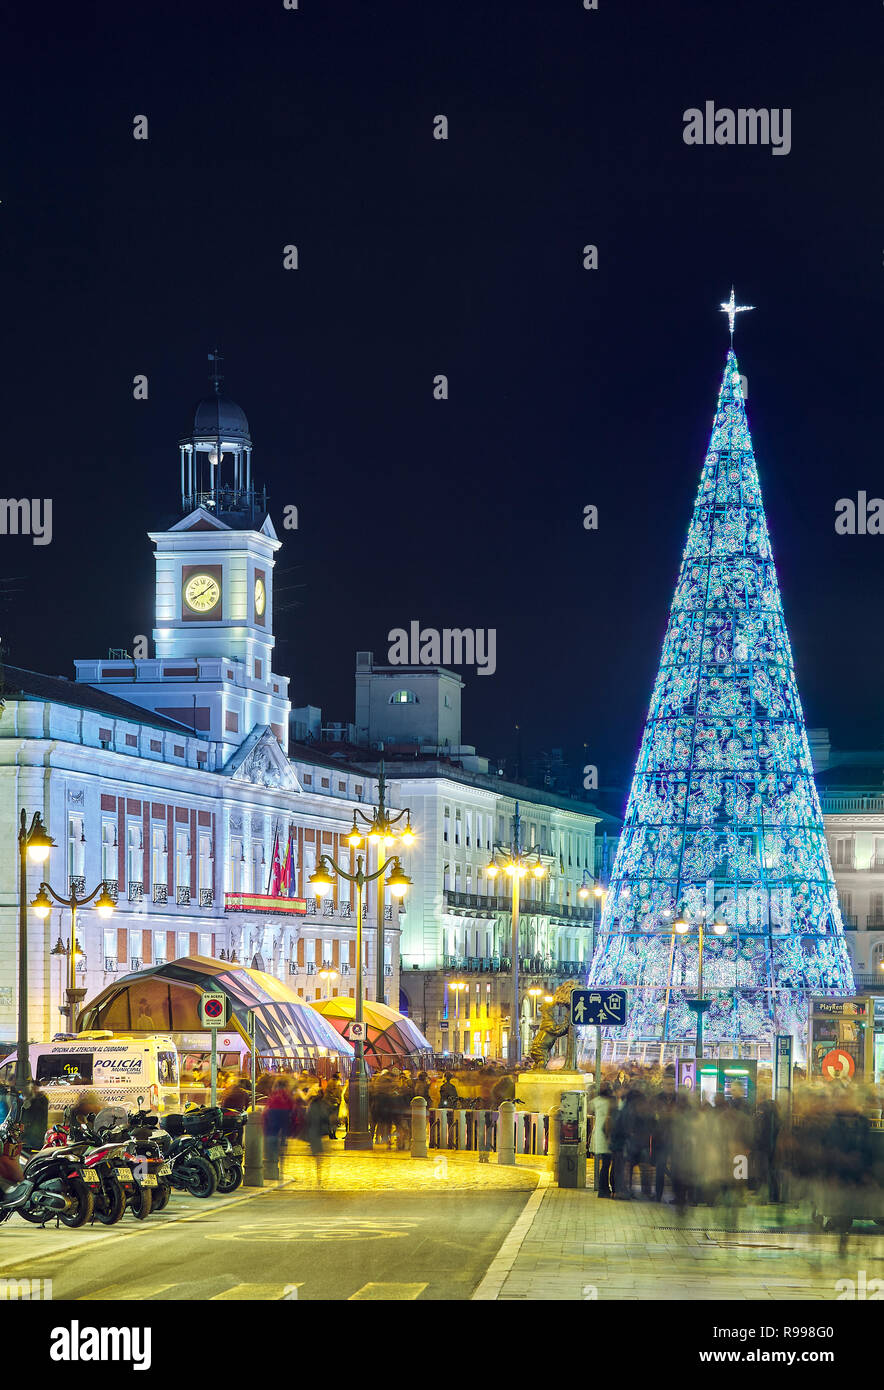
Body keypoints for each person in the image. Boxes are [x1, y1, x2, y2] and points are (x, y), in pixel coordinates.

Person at [589, 1083, 615, 1197]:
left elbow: (589, 1109)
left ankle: (602, 1189)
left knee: (605, 1164)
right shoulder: (611, 1102)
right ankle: (606, 1189)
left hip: (599, 1136)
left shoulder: (596, 1101)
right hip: (608, 1136)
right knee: (608, 1164)